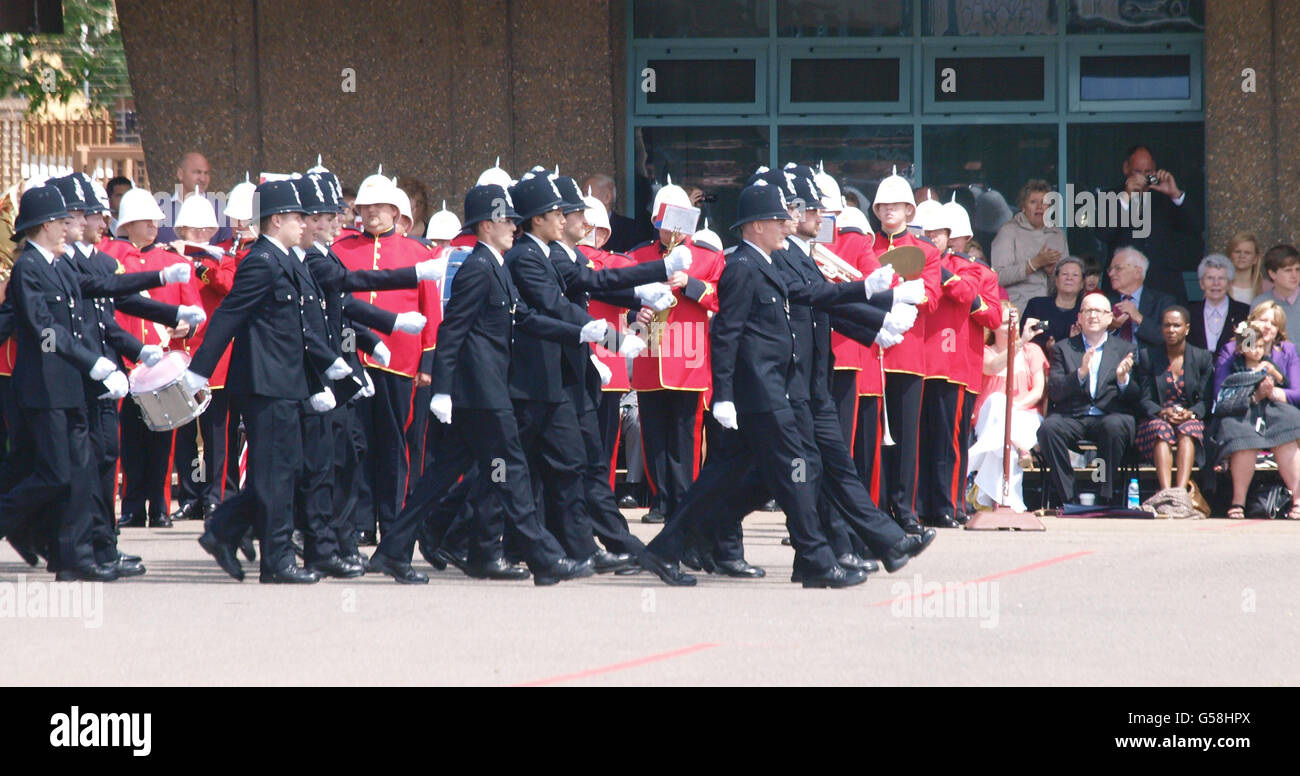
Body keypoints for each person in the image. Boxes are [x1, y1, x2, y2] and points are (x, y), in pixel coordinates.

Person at [637, 181, 870, 588]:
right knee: (796, 470)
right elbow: (727, 335)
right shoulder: (743, 267)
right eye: (780, 220)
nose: (787, 225)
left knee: (724, 479)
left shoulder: (763, 263)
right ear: (757, 225)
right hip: (758, 394)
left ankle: (665, 549)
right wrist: (723, 396)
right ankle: (815, 558)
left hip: (773, 389)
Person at [379, 183, 602, 586]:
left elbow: (523, 320)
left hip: (486, 392)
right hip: (481, 394)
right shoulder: (477, 268)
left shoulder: (495, 265)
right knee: (511, 471)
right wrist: (443, 389)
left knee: (441, 478)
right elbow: (452, 330)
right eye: (506, 220)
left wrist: (579, 334)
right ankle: (544, 557)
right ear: (485, 226)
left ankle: (392, 549)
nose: (514, 227)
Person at [190, 179, 353, 584]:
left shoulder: (289, 259)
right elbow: (230, 315)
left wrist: (322, 374)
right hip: (265, 383)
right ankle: (276, 561)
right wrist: (199, 370)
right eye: (298, 216)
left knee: (285, 471)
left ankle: (224, 530)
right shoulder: (261, 260)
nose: (305, 223)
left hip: (289, 381)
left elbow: (299, 328)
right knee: (277, 474)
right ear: (277, 218)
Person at [0, 184, 128, 581]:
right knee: (55, 474)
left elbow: (102, 287)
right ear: (40, 226)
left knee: (80, 474)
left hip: (69, 385)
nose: (66, 227)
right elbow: (44, 330)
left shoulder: (59, 264)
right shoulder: (28, 269)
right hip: (43, 389)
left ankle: (75, 558)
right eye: (60, 221)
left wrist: (160, 277)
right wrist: (93, 362)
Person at [330, 173, 441, 546]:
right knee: (358, 443)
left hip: (401, 361)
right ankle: (362, 521)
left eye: (380, 207)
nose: (373, 213)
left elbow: (431, 312)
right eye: (366, 207)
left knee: (395, 443)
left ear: (396, 211)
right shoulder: (342, 249)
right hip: (354, 357)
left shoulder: (418, 254)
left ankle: (393, 520)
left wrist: (427, 364)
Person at [626, 179, 726, 524]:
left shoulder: (708, 257)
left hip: (689, 353)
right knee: (654, 432)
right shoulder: (637, 257)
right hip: (650, 353)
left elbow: (722, 297)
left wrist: (691, 284)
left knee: (685, 433)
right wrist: (632, 313)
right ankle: (660, 499)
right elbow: (619, 297)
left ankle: (685, 500)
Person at [1037, 292, 1139, 506]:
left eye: (1098, 311)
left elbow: (1137, 396)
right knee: (1048, 429)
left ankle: (1102, 493)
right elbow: (1055, 390)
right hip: (1073, 416)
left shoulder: (1125, 349)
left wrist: (1123, 379)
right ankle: (1069, 496)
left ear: (1110, 317)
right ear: (1080, 317)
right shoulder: (1062, 348)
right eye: (1088, 311)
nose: (1093, 315)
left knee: (1114, 426)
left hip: (1109, 415)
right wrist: (1080, 373)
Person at [1206, 318, 1300, 520]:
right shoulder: (1234, 365)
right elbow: (1224, 397)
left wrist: (1273, 376)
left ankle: (1298, 499)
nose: (1256, 351)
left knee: (1288, 429)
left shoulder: (1268, 363)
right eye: (1251, 346)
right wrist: (1254, 393)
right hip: (1242, 413)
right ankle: (1238, 501)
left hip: (1271, 410)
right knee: (1242, 438)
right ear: (1240, 347)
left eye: (1259, 346)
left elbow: (1284, 381)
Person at [1095, 145, 1202, 303]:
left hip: (1163, 286)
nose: (1143, 178)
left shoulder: (1166, 195)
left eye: (1148, 172)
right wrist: (1126, 197)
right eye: (1138, 172)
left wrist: (1175, 194)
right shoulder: (1110, 196)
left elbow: (1196, 227)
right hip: (1123, 288)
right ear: (1126, 168)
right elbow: (1103, 233)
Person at [970, 303, 1047, 512]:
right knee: (997, 401)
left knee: (1006, 449)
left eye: (1014, 322)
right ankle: (1012, 507)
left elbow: (1038, 391)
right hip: (990, 419)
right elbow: (993, 366)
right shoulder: (984, 351)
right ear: (992, 326)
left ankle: (996, 498)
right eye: (1005, 323)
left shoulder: (1033, 351)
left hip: (1025, 416)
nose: (1010, 327)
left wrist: (1012, 409)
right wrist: (1020, 343)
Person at [1135, 306, 1213, 493]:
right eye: (1167, 325)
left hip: (1190, 416)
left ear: (1186, 328)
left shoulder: (1202, 357)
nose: (1171, 330)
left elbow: (1206, 400)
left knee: (1188, 430)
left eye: (1176, 325)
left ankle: (1180, 493)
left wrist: (1191, 413)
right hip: (1158, 416)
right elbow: (1144, 398)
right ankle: (1165, 492)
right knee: (1162, 431)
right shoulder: (1149, 356)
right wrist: (1162, 412)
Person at [990, 179, 1067, 312]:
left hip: (1052, 308)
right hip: (1019, 308)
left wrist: (1051, 273)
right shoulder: (1008, 231)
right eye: (1033, 202)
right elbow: (998, 277)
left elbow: (1067, 281)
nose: (1039, 207)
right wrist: (1033, 264)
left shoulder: (1058, 234)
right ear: (1023, 207)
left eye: (1044, 203)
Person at [1106, 246, 1176, 348]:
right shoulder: (1105, 302)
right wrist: (1111, 327)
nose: (1111, 274)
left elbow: (1169, 338)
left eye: (1118, 268)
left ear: (1137, 272)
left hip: (1149, 363)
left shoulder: (1162, 302)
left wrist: (1139, 318)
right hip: (1116, 362)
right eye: (1110, 269)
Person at [1187, 254, 1249, 357]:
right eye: (1210, 278)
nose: (1216, 283)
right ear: (1201, 283)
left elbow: (1249, 349)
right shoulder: (1189, 312)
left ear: (1230, 283)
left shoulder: (1245, 312)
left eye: (1221, 278)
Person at [1021, 256, 1084, 352]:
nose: (1069, 278)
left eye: (1075, 275)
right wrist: (1045, 346)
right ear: (1056, 280)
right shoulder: (1037, 306)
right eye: (1064, 274)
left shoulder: (1085, 312)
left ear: (1082, 283)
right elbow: (1025, 335)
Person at [1250, 244, 1300, 342]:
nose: (1294, 275)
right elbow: (1248, 345)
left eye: (1298, 269)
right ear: (1272, 274)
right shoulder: (1260, 303)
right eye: (1288, 270)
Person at [1228, 232, 1265, 304]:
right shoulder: (1219, 285)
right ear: (1230, 256)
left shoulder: (1266, 288)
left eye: (1247, 252)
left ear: (1255, 259)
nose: (1242, 256)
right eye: (1237, 251)